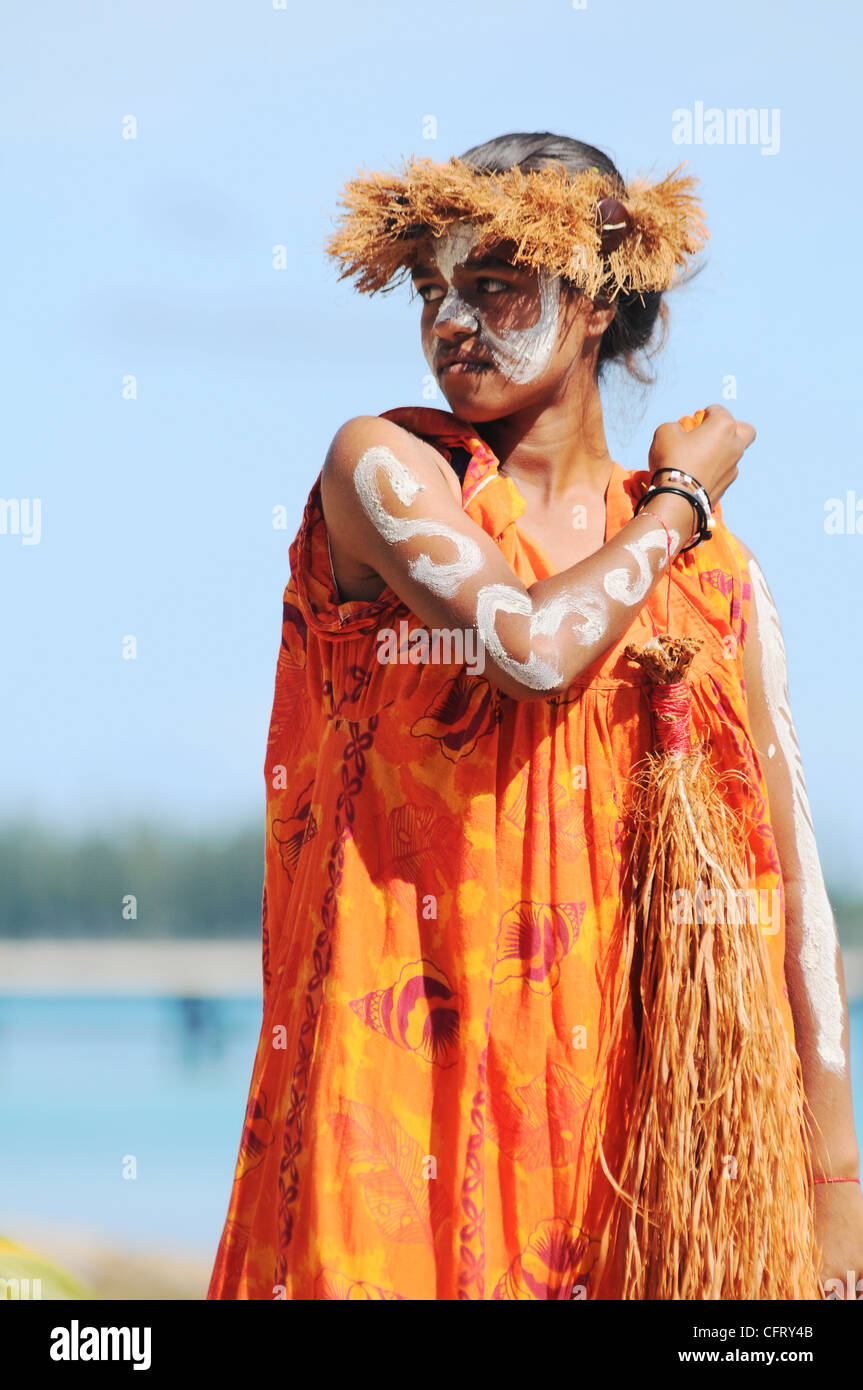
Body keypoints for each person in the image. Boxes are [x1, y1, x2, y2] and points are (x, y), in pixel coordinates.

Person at [207, 132, 863, 1300]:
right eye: (429, 289)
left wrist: (830, 1195)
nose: (449, 322)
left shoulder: (712, 574)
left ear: (594, 301)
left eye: (494, 283)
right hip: (402, 1100)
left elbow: (789, 892)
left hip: (632, 1133)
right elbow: (530, 647)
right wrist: (681, 500)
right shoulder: (392, 471)